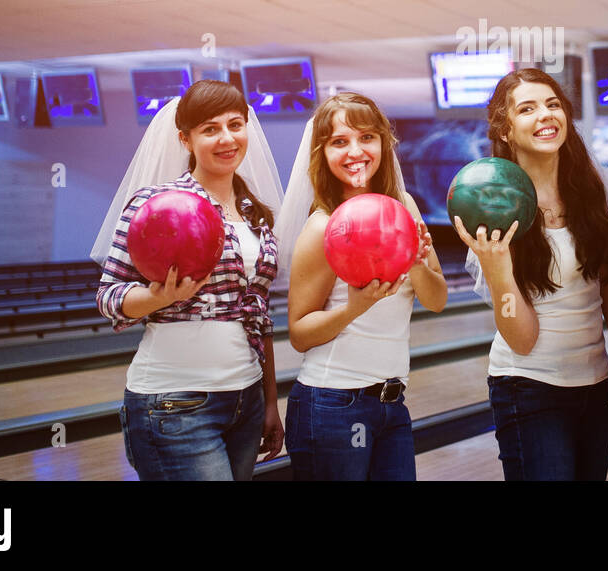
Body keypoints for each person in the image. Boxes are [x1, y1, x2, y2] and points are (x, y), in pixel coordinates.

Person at [93, 80, 285, 481]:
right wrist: (158, 297)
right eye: (210, 129)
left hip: (245, 401)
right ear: (186, 139)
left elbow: (259, 316)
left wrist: (269, 403)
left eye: (235, 124)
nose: (226, 138)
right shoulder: (156, 205)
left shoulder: (256, 216)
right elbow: (109, 297)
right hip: (175, 403)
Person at [458, 68, 608, 481]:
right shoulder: (491, 204)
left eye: (553, 104)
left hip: (593, 383)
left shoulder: (588, 189)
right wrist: (498, 270)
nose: (545, 115)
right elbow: (522, 339)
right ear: (504, 129)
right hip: (528, 387)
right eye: (528, 108)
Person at [277, 92, 447, 481]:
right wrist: (355, 307)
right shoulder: (322, 226)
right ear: (322, 153)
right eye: (340, 142)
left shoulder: (404, 205)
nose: (356, 151)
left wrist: (418, 263)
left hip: (391, 402)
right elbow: (300, 334)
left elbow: (436, 300)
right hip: (333, 404)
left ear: (384, 143)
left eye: (367, 137)